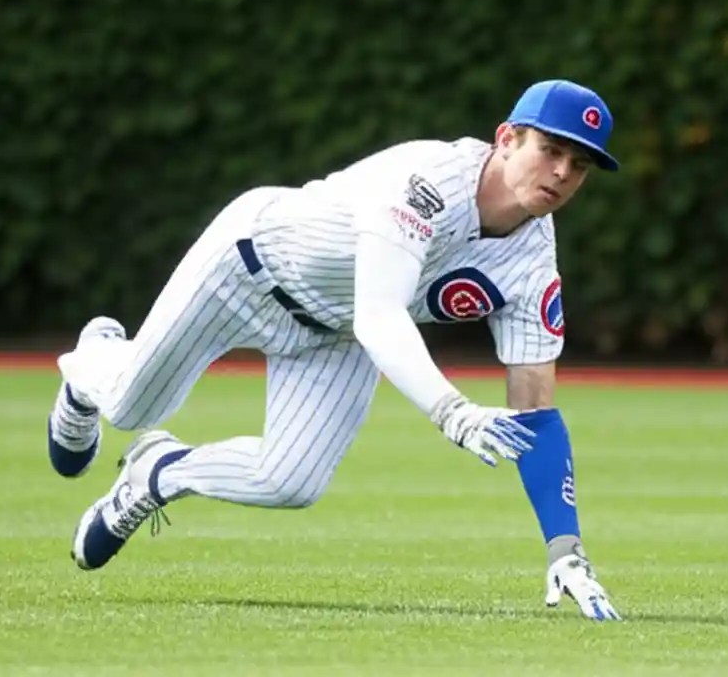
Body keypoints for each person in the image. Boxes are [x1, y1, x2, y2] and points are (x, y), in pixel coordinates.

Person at [48, 79, 622, 621]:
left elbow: (535, 413)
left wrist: (564, 548)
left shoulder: (533, 264)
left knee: (290, 481)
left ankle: (158, 473)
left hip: (336, 331)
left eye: (580, 165)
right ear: (506, 139)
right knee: (128, 408)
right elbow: (380, 316)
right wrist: (455, 413)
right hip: (248, 268)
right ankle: (92, 362)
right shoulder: (429, 181)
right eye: (550, 150)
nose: (562, 173)